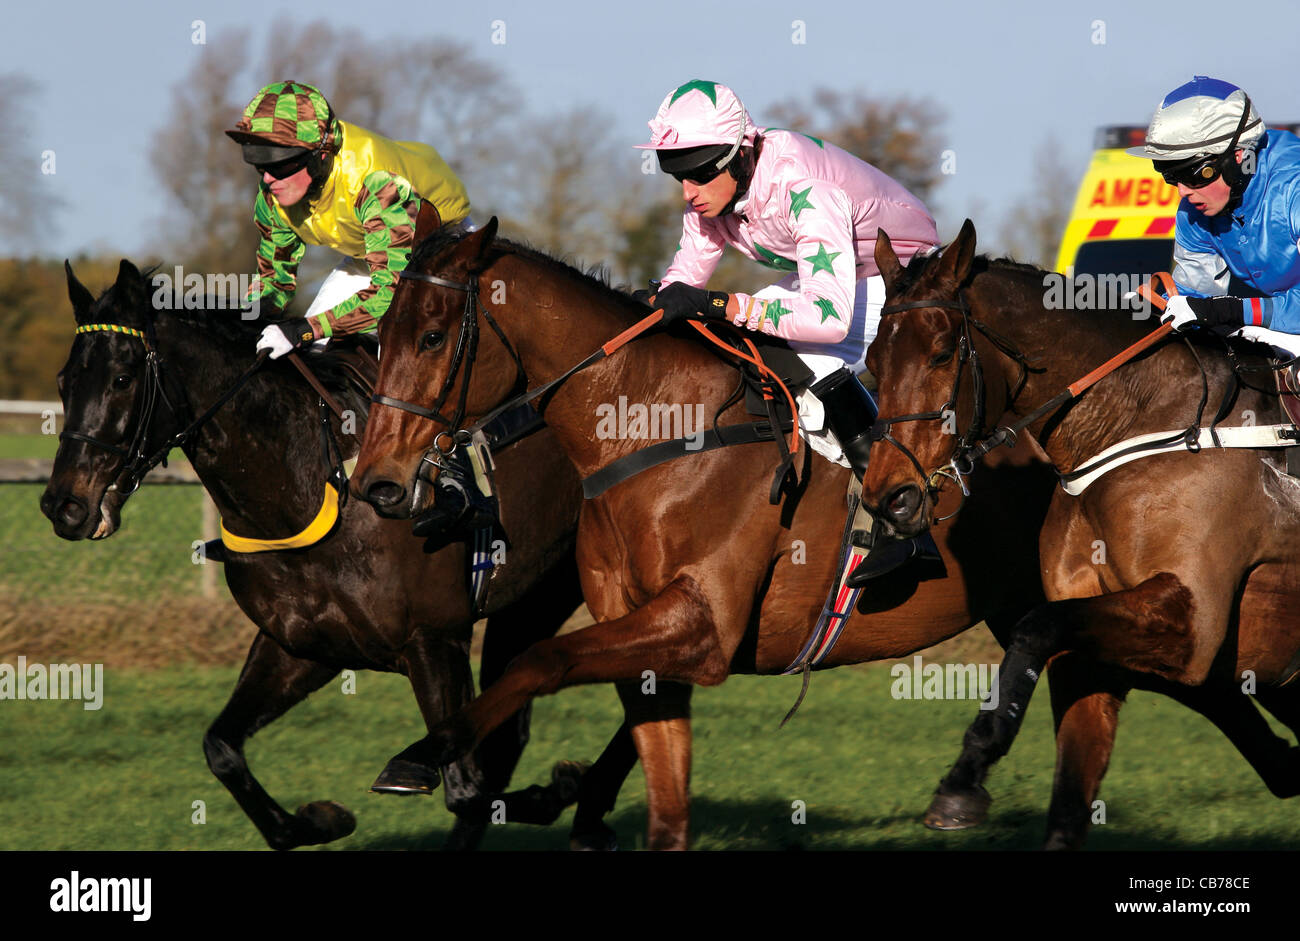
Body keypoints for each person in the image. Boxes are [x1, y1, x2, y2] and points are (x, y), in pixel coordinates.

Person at [633, 79, 941, 582]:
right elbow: (682, 284)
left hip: (904, 277)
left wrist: (717, 303)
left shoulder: (803, 189)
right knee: (742, 331)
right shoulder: (713, 196)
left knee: (801, 348)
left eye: (695, 175)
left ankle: (906, 523)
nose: (688, 192)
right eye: (676, 175)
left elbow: (826, 318)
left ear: (737, 157)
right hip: (846, 271)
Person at [225, 80, 472, 358]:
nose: (269, 178)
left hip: (442, 251)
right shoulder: (272, 195)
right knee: (312, 354)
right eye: (260, 164)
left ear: (320, 155)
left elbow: (390, 290)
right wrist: (239, 319)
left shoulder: (376, 184)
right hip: (372, 258)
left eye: (280, 164)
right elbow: (274, 280)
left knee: (400, 363)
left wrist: (306, 329)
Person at [1126, 76, 1300, 334]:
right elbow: (1194, 300)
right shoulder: (1194, 213)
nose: (1183, 192)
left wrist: (1230, 311)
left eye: (1192, 175)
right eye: (1171, 178)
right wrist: (1154, 311)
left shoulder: (1293, 188)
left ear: (1238, 158)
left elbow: (1217, 311)